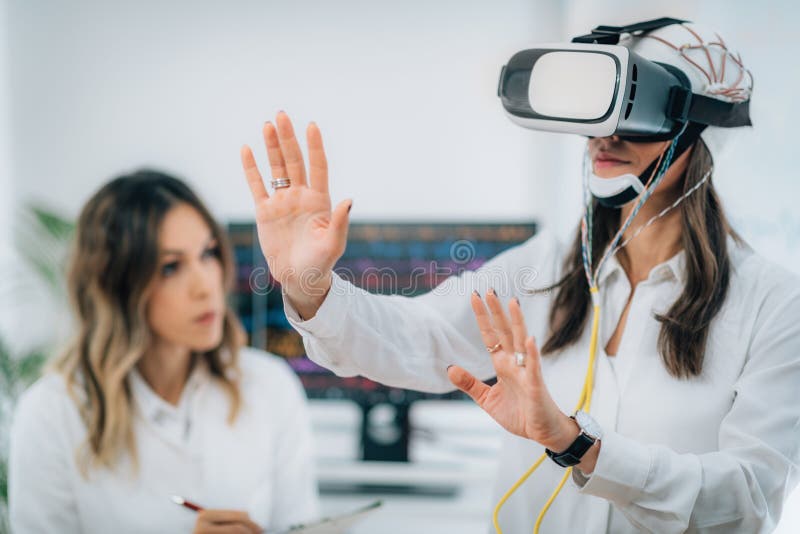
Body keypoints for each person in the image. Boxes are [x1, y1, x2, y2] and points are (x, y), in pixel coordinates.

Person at [237, 19, 800, 534]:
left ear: (700, 133)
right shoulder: (545, 266)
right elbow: (420, 337)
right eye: (597, 114)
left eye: (635, 113)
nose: (606, 138)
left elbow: (748, 500)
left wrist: (579, 446)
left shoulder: (774, 304)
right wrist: (308, 286)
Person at [9, 171, 319, 534]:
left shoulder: (269, 386)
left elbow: (302, 525)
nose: (206, 285)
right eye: (170, 267)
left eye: (208, 254)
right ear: (119, 287)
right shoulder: (51, 414)